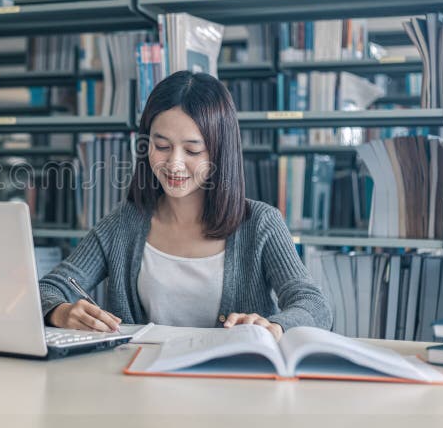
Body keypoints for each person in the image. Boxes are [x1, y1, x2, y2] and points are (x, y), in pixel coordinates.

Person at [40, 71, 332, 340]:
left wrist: (274, 326)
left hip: (234, 388)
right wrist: (60, 311)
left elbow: (314, 305)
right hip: (139, 385)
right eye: (162, 146)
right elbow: (46, 289)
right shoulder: (123, 223)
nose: (174, 164)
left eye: (193, 150)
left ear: (219, 151)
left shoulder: (260, 223)